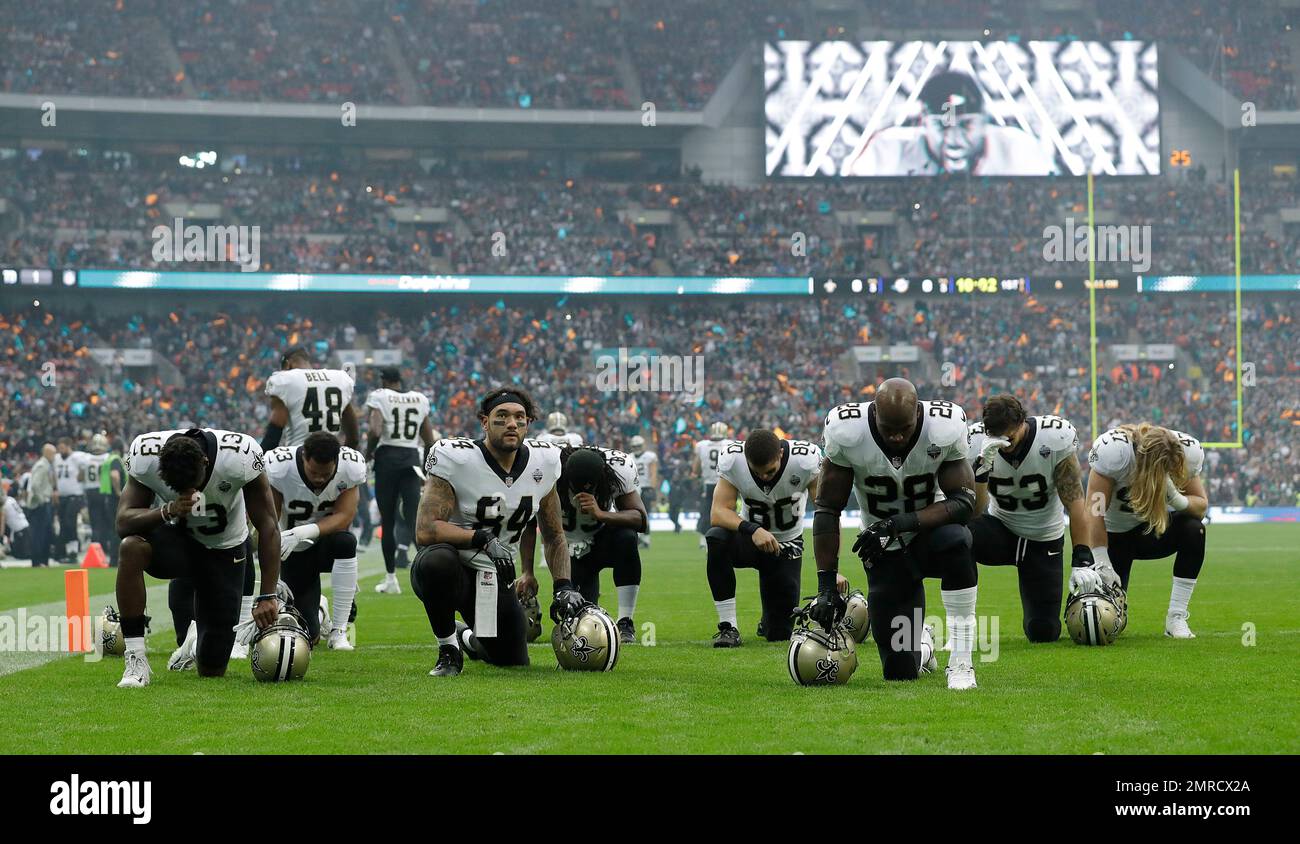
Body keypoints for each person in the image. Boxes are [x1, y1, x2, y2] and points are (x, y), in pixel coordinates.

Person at [810, 378, 980, 690]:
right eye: (889, 429)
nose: (898, 436)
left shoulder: (943, 427)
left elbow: (964, 502)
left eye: (905, 427)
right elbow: (826, 510)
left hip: (928, 536)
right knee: (899, 670)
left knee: (958, 541)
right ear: (873, 414)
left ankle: (961, 660)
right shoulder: (847, 432)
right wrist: (826, 587)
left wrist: (896, 523)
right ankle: (924, 643)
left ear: (918, 413)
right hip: (883, 552)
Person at [409, 387, 585, 677]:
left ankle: (466, 636)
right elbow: (426, 531)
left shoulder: (545, 462)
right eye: (502, 416)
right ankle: (448, 649)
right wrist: (481, 538)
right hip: (448, 567)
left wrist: (563, 585)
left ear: (528, 423)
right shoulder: (456, 457)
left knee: (510, 660)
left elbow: (553, 534)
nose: (512, 423)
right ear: (484, 422)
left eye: (519, 417)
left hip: (491, 578)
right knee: (437, 561)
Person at [114, 428, 281, 688]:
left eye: (195, 481)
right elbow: (123, 522)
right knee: (131, 547)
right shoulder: (145, 454)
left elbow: (268, 524)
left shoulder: (239, 456)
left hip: (225, 550)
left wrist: (268, 595)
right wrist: (168, 509)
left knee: (212, 668)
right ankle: (135, 659)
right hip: (178, 545)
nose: (190, 491)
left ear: (205, 461)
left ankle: (193, 643)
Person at [966, 395, 1091, 643]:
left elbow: (1075, 501)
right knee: (959, 533)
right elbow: (975, 510)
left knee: (1043, 632)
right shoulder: (976, 441)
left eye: (1009, 437)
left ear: (1022, 422)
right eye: (997, 437)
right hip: (1001, 529)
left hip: (1042, 538)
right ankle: (963, 623)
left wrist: (1082, 557)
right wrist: (981, 469)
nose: (1005, 443)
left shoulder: (1053, 438)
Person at [1076, 423, 1209, 638]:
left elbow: (1200, 506)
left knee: (1194, 530)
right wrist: (1101, 561)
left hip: (1154, 531)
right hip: (1114, 536)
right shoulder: (1114, 453)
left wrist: (1177, 499)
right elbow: (1094, 512)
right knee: (1102, 624)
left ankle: (1176, 617)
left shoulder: (1187, 451)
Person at [706, 430, 829, 647]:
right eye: (758, 472)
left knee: (779, 633)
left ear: (781, 454)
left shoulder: (805, 460)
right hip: (749, 540)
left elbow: (826, 512)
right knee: (716, 538)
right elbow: (718, 513)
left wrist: (831, 570)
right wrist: (752, 529)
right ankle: (728, 627)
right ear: (746, 460)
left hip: (786, 544)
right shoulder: (734, 460)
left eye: (770, 471)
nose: (765, 478)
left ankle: (769, 620)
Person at [520, 445, 647, 643]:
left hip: (600, 543)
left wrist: (601, 514)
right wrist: (527, 571)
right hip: (568, 554)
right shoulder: (548, 470)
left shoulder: (618, 470)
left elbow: (641, 519)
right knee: (582, 624)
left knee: (627, 538)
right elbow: (529, 522)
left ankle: (625, 621)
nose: (583, 491)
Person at [363, 367, 435, 593]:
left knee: (388, 521)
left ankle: (391, 578)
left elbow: (375, 430)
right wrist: (426, 469)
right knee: (415, 519)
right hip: (412, 460)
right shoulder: (419, 398)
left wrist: (369, 453)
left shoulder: (379, 396)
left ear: (383, 380)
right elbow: (429, 439)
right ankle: (430, 575)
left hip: (387, 459)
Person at [261, 346, 359, 450]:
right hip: (332, 456)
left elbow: (274, 434)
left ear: (288, 364)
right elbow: (354, 437)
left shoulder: (285, 380)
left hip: (299, 455)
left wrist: (260, 459)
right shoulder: (340, 378)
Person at [53, 438, 88, 564]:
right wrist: (55, 489)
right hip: (62, 496)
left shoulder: (77, 457)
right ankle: (66, 552)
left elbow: (86, 467)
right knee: (63, 524)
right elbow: (54, 475)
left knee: (70, 522)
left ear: (69, 446)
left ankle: (73, 552)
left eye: (62, 448)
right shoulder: (57, 458)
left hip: (75, 495)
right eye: (59, 448)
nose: (60, 450)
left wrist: (81, 476)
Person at [26, 444, 56, 568]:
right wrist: (42, 499)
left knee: (45, 533)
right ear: (47, 453)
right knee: (39, 534)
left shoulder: (46, 465)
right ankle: (37, 561)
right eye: (53, 453)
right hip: (40, 505)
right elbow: (35, 485)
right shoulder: (42, 466)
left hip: (44, 502)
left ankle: (43, 560)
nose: (54, 456)